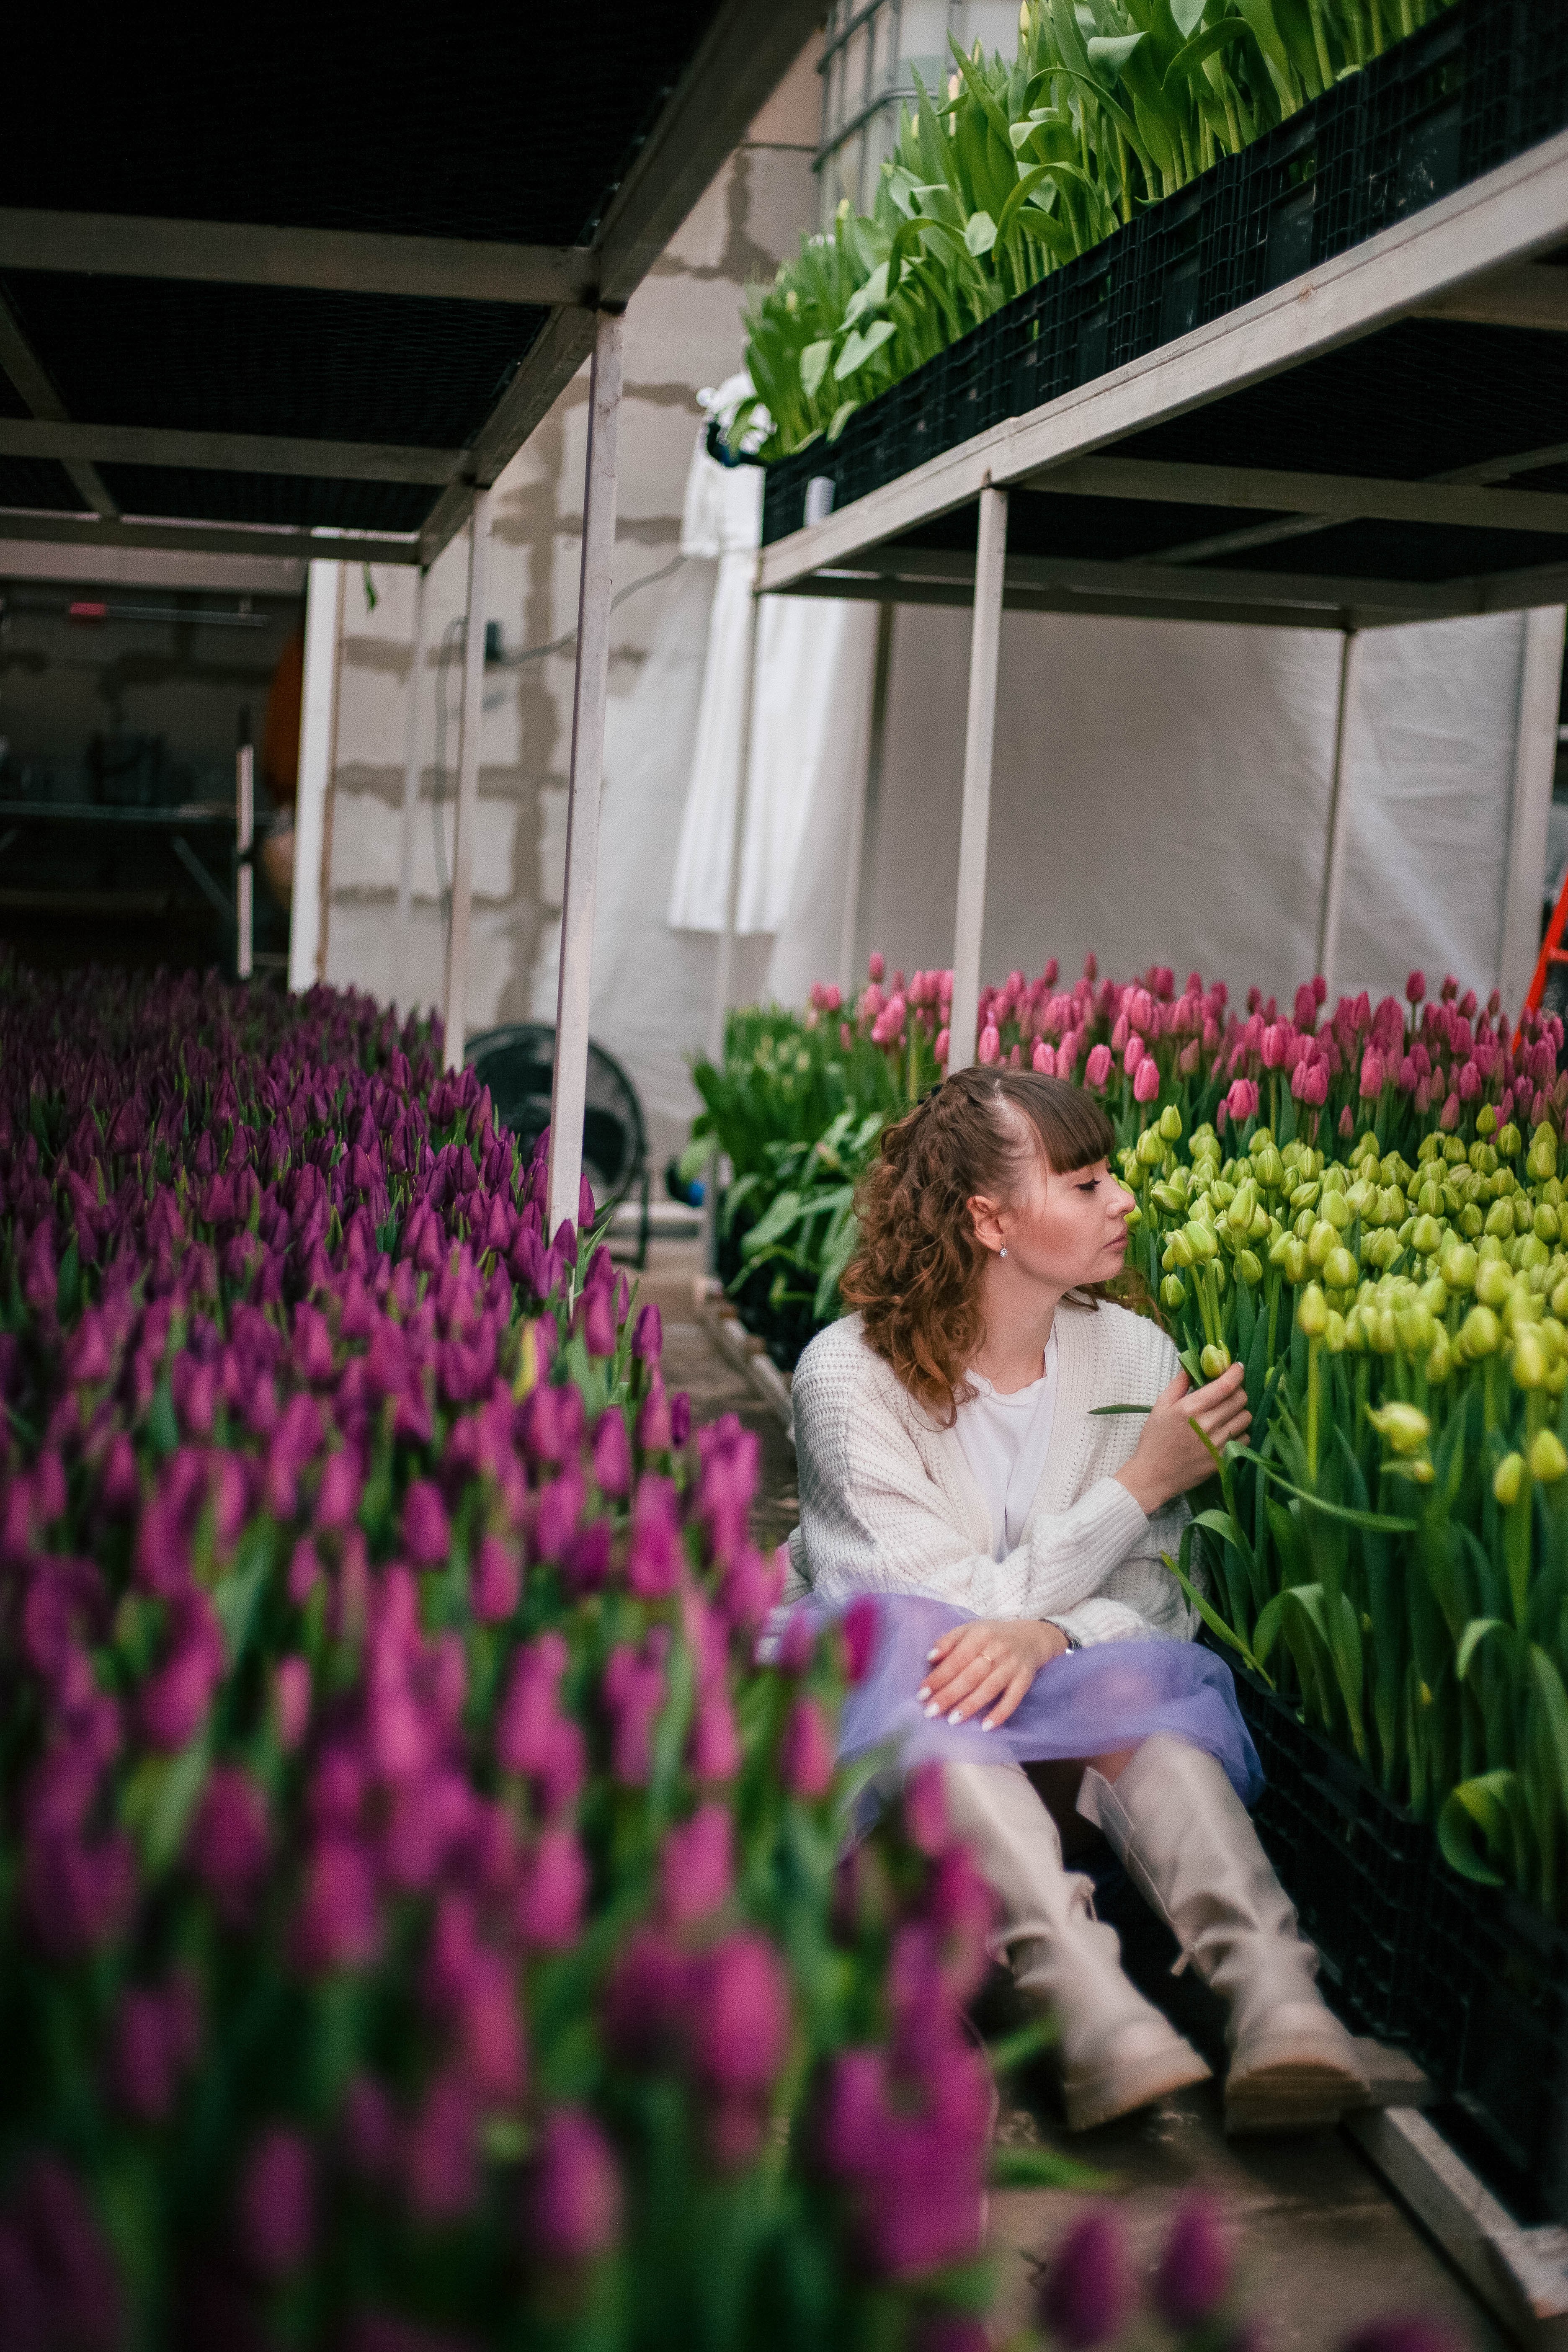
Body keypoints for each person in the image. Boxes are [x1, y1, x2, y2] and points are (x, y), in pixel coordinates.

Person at [784, 1066, 1367, 2134]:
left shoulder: (1135, 1357)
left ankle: (1278, 1999)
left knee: (1149, 1686)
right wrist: (1137, 1485)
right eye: (1088, 1182)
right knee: (934, 1682)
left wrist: (1049, 1629)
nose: (1125, 1202)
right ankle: (1094, 2011)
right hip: (891, 1763)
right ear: (989, 1218)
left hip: (1064, 1735)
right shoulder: (847, 1380)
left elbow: (1157, 1595)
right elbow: (927, 1626)